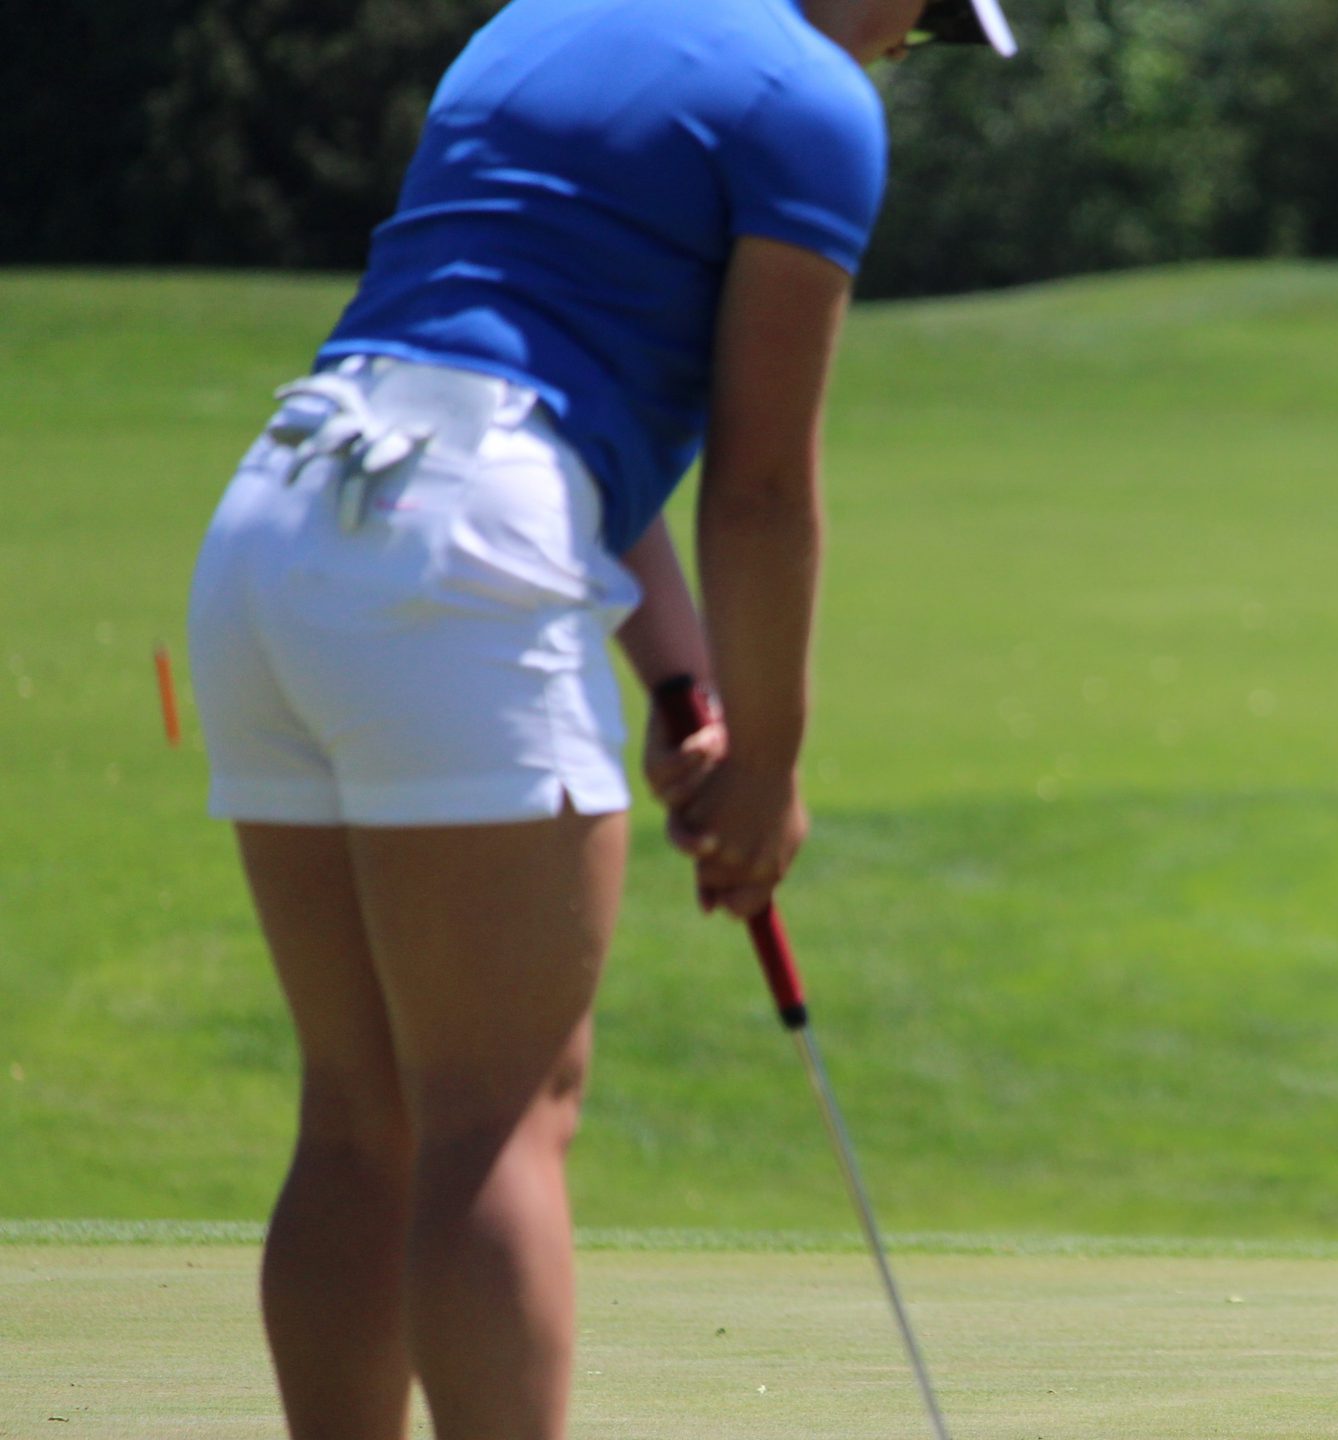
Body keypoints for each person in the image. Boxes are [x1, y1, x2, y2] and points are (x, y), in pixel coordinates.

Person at [183, 1, 1012, 1436]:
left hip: (285, 503)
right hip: (463, 553)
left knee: (360, 1112)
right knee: (495, 1112)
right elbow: (757, 488)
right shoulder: (811, 103)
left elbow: (536, 386)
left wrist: (688, 690)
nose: (905, 47)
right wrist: (770, 765)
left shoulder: (540, 20)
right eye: (931, 18)